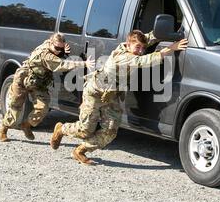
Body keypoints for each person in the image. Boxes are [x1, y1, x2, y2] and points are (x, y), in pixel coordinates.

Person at [50, 30, 188, 165]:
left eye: (142, 47)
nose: (140, 50)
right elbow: (146, 60)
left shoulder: (131, 43)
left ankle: (80, 151)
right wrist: (172, 48)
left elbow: (149, 36)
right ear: (128, 45)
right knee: (85, 129)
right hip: (95, 93)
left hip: (112, 95)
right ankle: (61, 129)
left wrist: (165, 33)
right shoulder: (124, 57)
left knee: (110, 131)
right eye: (137, 47)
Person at [0, 33, 95, 142]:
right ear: (50, 42)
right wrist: (84, 63)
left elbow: (56, 54)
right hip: (23, 79)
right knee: (16, 108)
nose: (58, 50)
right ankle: (3, 129)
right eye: (57, 48)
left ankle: (27, 125)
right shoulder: (45, 55)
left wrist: (62, 51)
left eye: (60, 48)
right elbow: (62, 64)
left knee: (43, 108)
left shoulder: (50, 45)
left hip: (38, 83)